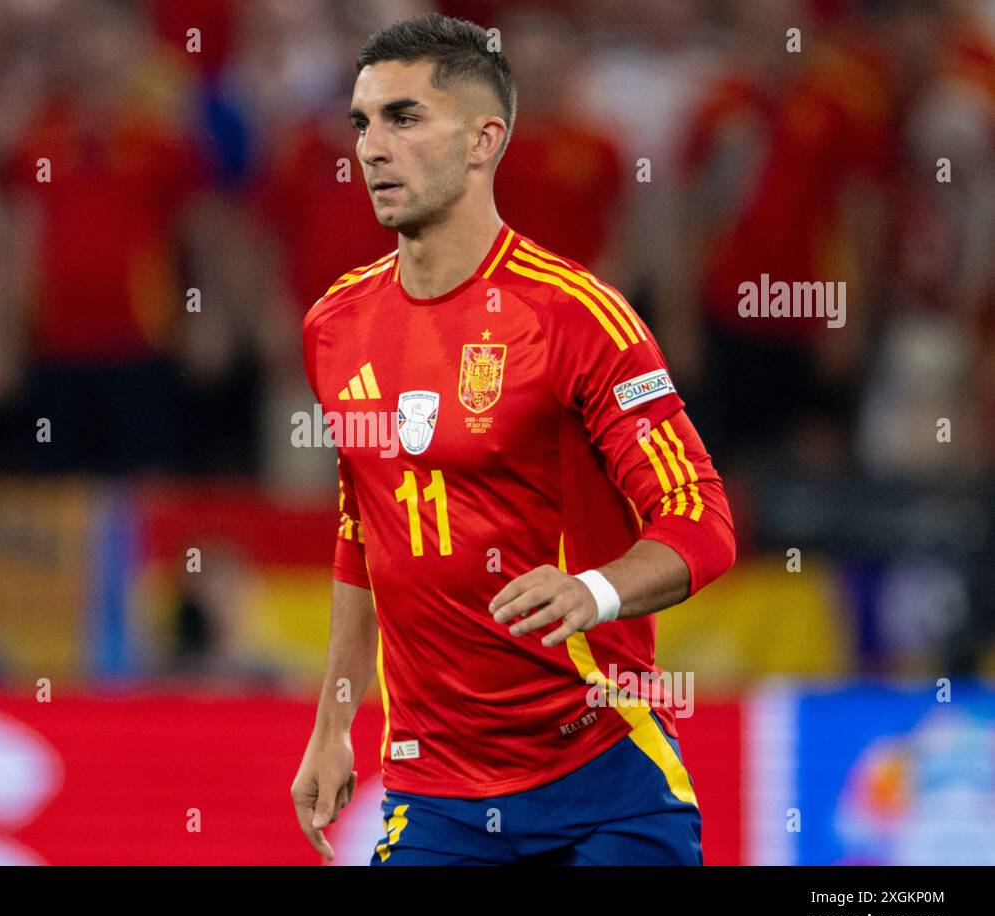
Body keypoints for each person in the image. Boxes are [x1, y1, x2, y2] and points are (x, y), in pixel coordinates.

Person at [290, 12, 735, 866]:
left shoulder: (577, 318)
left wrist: (595, 590)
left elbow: (702, 518)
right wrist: (334, 724)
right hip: (436, 793)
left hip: (603, 778)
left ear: (483, 140)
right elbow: (362, 530)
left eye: (404, 118)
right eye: (363, 122)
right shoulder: (334, 326)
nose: (372, 147)